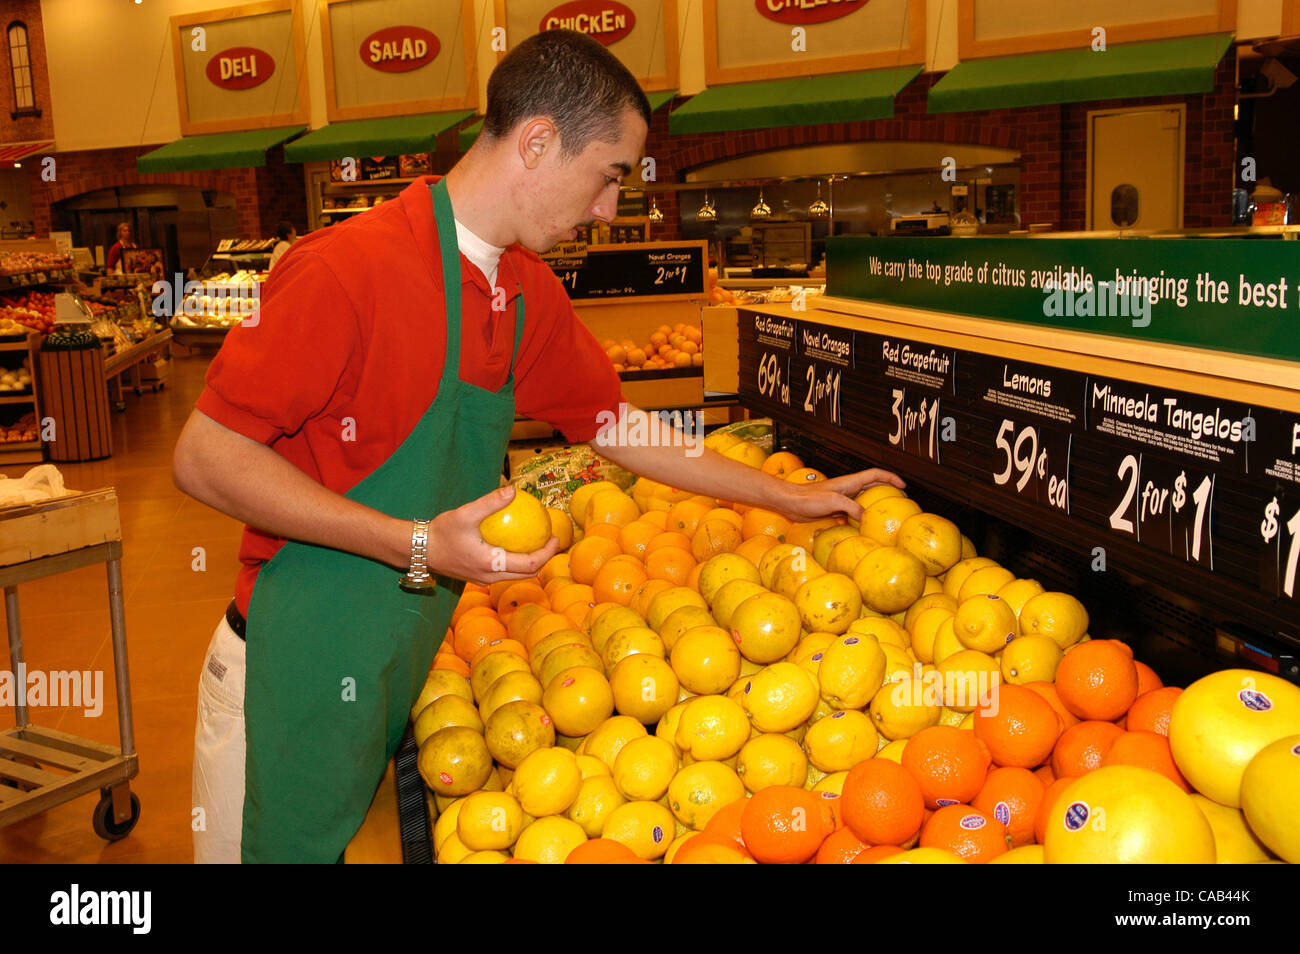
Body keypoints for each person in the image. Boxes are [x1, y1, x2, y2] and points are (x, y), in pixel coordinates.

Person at [172, 29, 902, 864]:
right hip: (286, 660)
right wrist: (415, 543)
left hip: (387, 662)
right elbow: (204, 456)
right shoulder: (344, 272)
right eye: (611, 175)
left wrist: (777, 493)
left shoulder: (525, 293)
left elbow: (612, 425)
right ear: (538, 141)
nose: (609, 209)